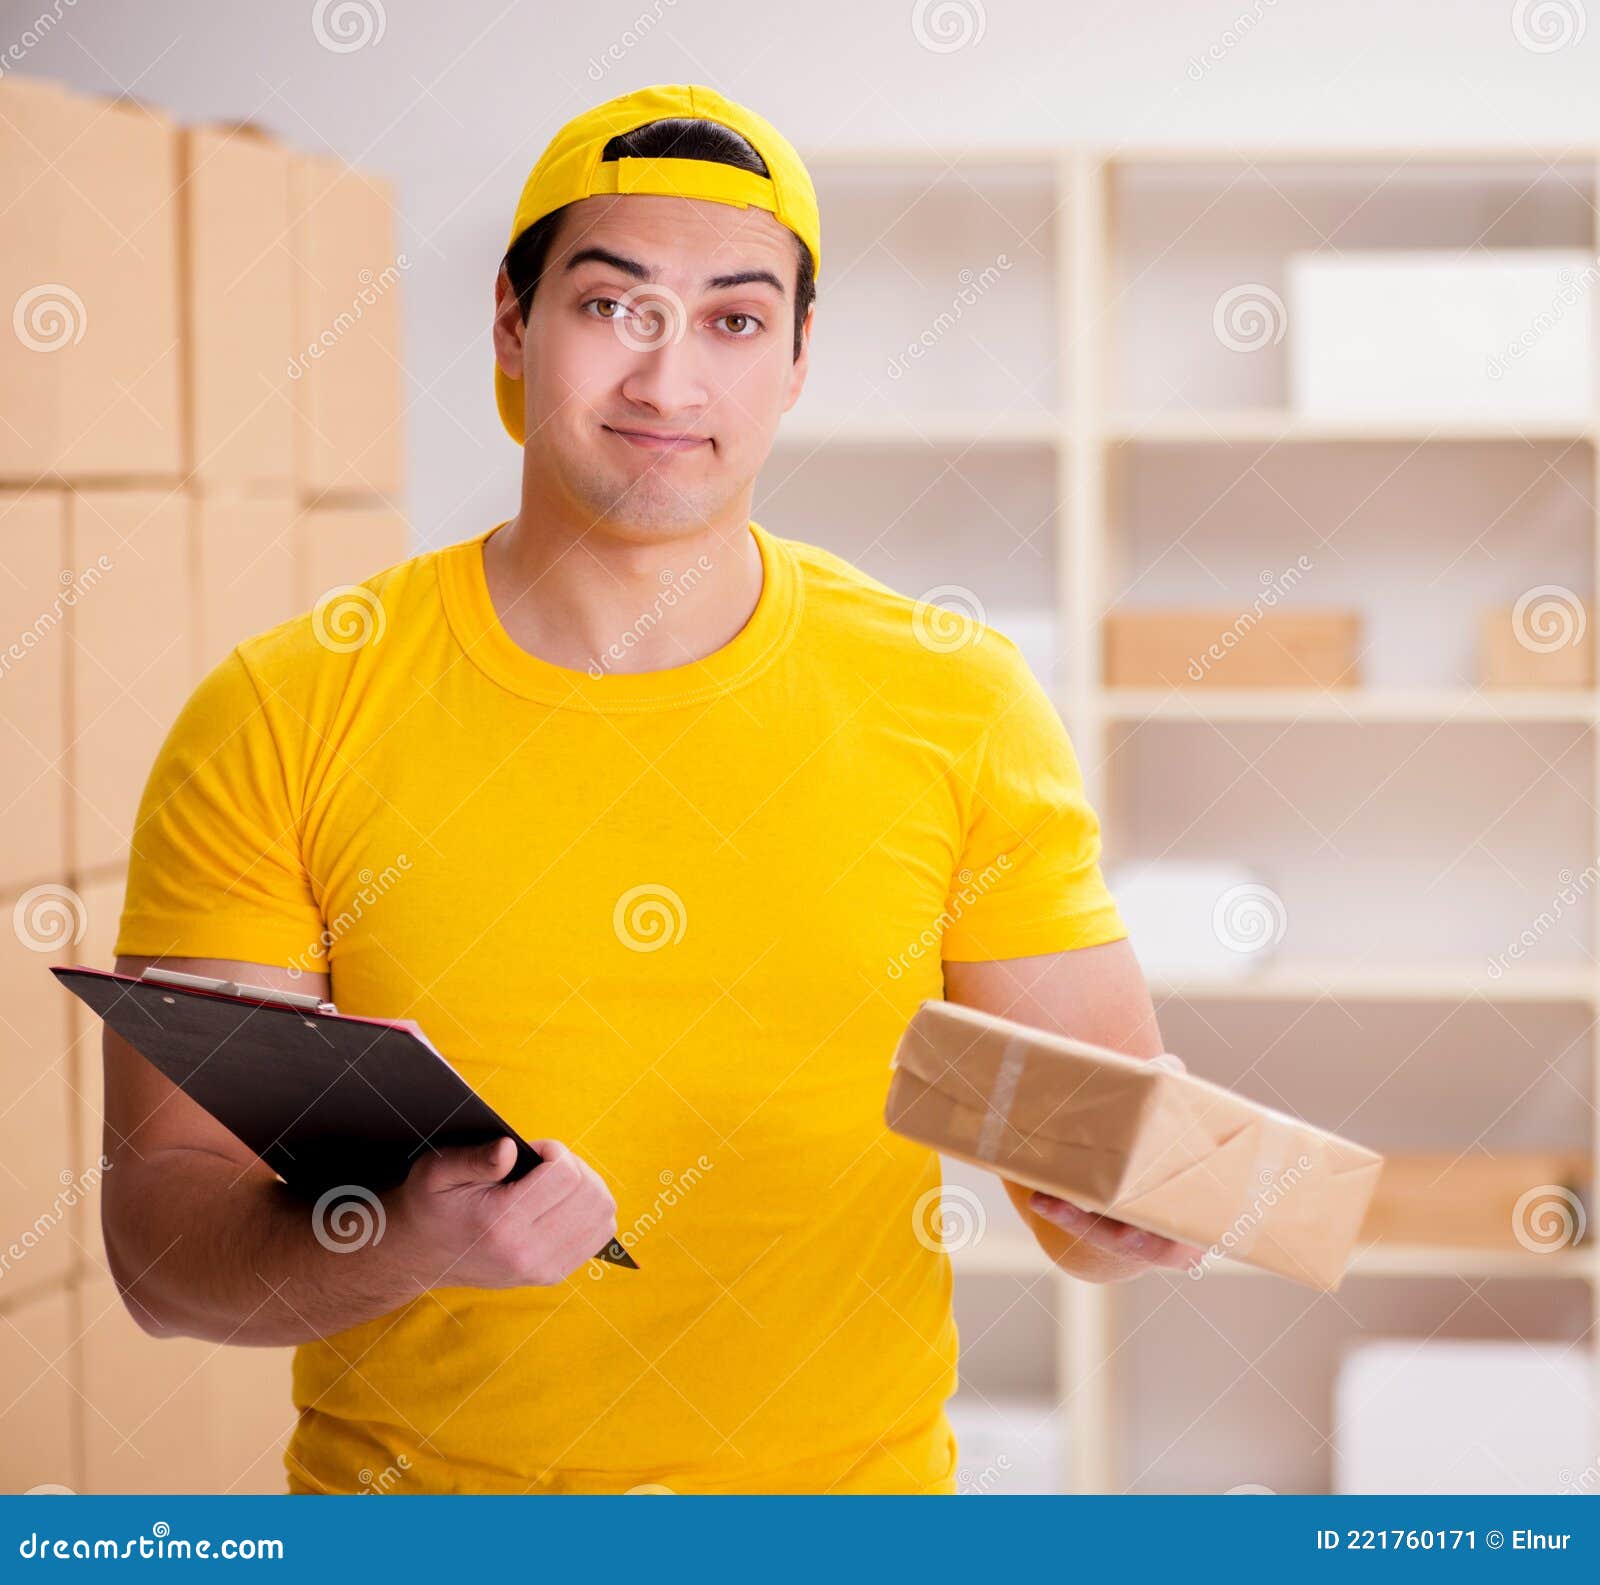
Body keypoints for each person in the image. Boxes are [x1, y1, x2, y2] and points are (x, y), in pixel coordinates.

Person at [103, 82, 1198, 1497]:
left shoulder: (956, 698)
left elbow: (1101, 1165)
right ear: (511, 323)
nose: (668, 381)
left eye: (736, 321)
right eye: (613, 306)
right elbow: (160, 1248)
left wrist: (1132, 1199)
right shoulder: (285, 710)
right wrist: (404, 1237)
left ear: (799, 360)